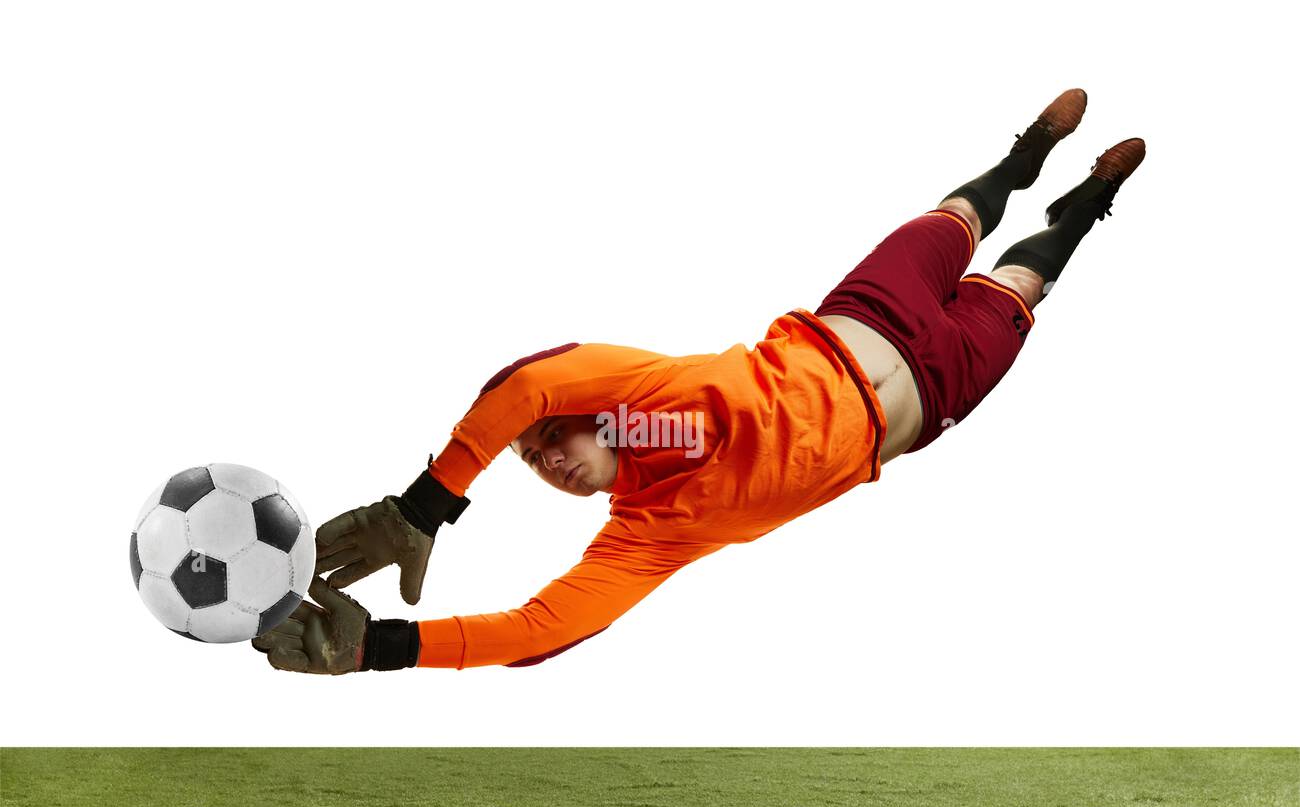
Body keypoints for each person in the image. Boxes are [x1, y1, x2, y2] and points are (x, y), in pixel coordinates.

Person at [254, 89, 1145, 675]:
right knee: (1026, 282)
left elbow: (525, 387)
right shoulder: (645, 535)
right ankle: (1082, 211)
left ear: (587, 413)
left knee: (958, 215)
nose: (544, 457)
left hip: (863, 315)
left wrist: (423, 506)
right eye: (531, 464)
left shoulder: (639, 394)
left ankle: (1024, 158)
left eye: (548, 439)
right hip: (932, 397)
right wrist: (381, 648)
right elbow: (540, 630)